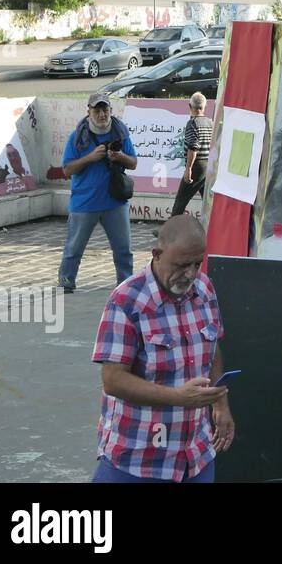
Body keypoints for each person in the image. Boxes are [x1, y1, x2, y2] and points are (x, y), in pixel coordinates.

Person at [91, 215, 233, 482]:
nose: (190, 273)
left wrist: (221, 405)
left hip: (196, 457)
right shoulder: (126, 301)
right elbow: (113, 380)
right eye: (181, 265)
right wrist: (178, 397)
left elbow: (212, 348)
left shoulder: (205, 289)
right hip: (136, 460)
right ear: (157, 254)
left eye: (196, 263)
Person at [58, 94, 139, 293]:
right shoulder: (77, 137)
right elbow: (67, 170)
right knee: (73, 249)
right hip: (84, 203)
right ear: (89, 112)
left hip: (115, 203)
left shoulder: (120, 133)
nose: (102, 114)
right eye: (97, 110)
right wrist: (90, 158)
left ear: (111, 111)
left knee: (123, 251)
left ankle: (125, 287)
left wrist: (119, 156)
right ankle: (66, 285)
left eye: (105, 110)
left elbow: (134, 163)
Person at [171, 93, 213, 218]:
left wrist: (188, 169)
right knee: (208, 202)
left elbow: (193, 147)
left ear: (190, 106)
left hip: (197, 165)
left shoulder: (193, 123)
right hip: (208, 165)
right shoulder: (210, 122)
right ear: (204, 106)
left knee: (180, 201)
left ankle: (169, 232)